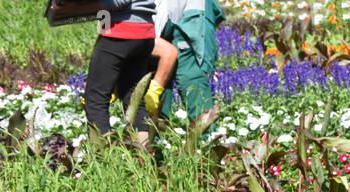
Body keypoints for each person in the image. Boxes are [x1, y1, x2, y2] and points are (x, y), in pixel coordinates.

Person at [53, 1, 159, 143]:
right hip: (144, 30)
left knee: (96, 99)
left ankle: (103, 159)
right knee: (133, 98)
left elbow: (118, 2)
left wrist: (75, 8)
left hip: (121, 31)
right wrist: (102, 31)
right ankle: (145, 159)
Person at [145, 0, 226, 125]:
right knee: (156, 71)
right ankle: (157, 136)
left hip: (190, 16)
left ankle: (207, 139)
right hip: (160, 17)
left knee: (192, 80)